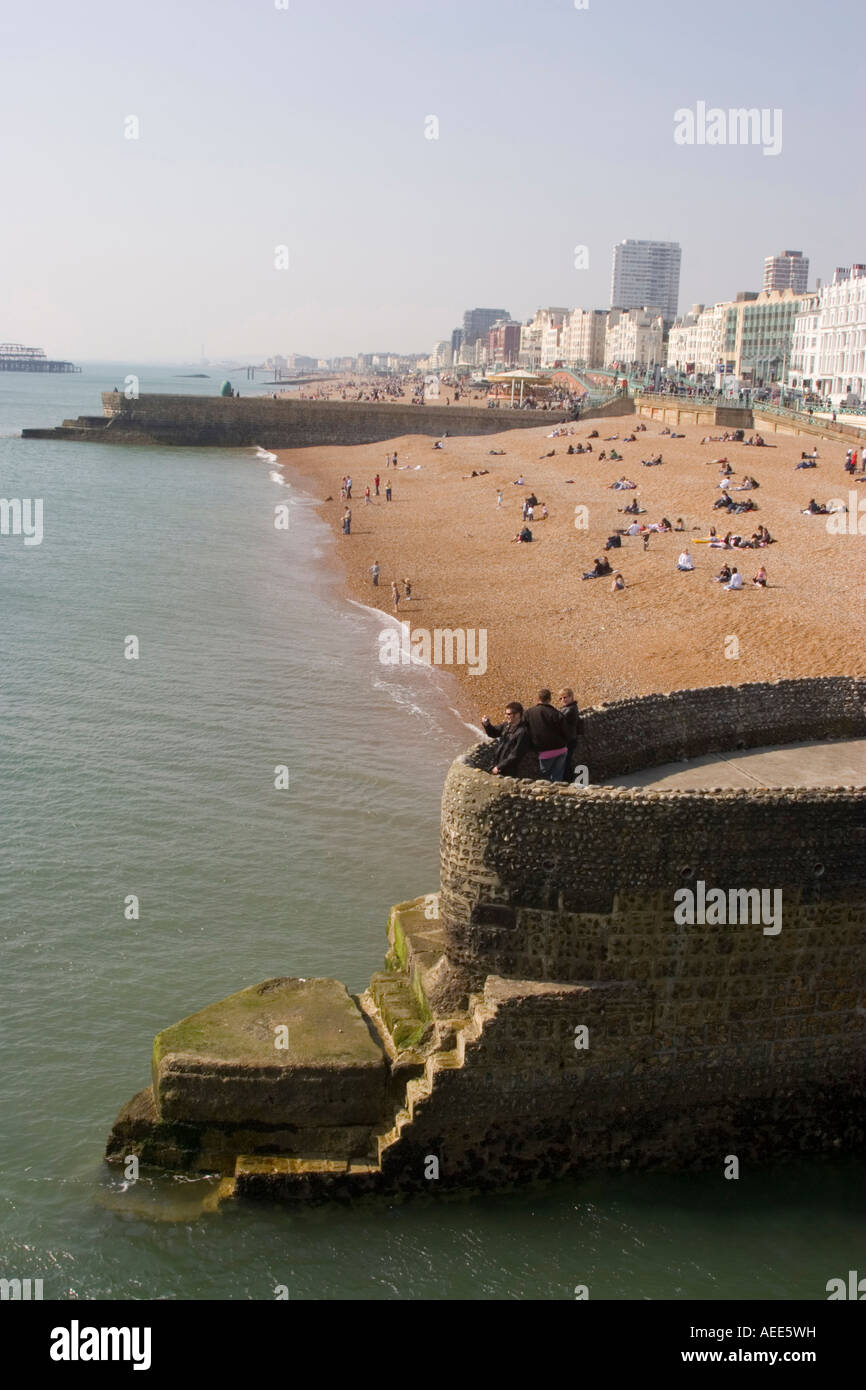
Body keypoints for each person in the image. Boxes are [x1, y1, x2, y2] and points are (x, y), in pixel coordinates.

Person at [481, 703, 539, 780]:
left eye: (509, 714)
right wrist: (487, 725)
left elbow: (516, 754)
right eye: (505, 714)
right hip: (499, 764)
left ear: (517, 715)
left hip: (510, 769)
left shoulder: (523, 732)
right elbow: (493, 733)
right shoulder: (506, 725)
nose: (506, 716)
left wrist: (499, 767)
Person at [525, 689, 569, 782]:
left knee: (546, 778)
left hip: (544, 752)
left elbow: (524, 729)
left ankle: (549, 795)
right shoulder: (556, 713)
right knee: (558, 776)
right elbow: (566, 731)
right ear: (549, 699)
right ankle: (558, 794)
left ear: (537, 699)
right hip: (561, 749)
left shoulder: (529, 713)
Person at [558, 688, 581, 780]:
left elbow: (558, 721)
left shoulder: (569, 710)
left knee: (565, 763)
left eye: (565, 697)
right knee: (566, 762)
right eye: (560, 698)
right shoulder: (572, 707)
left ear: (571, 697)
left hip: (569, 740)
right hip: (571, 738)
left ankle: (568, 782)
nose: (563, 700)